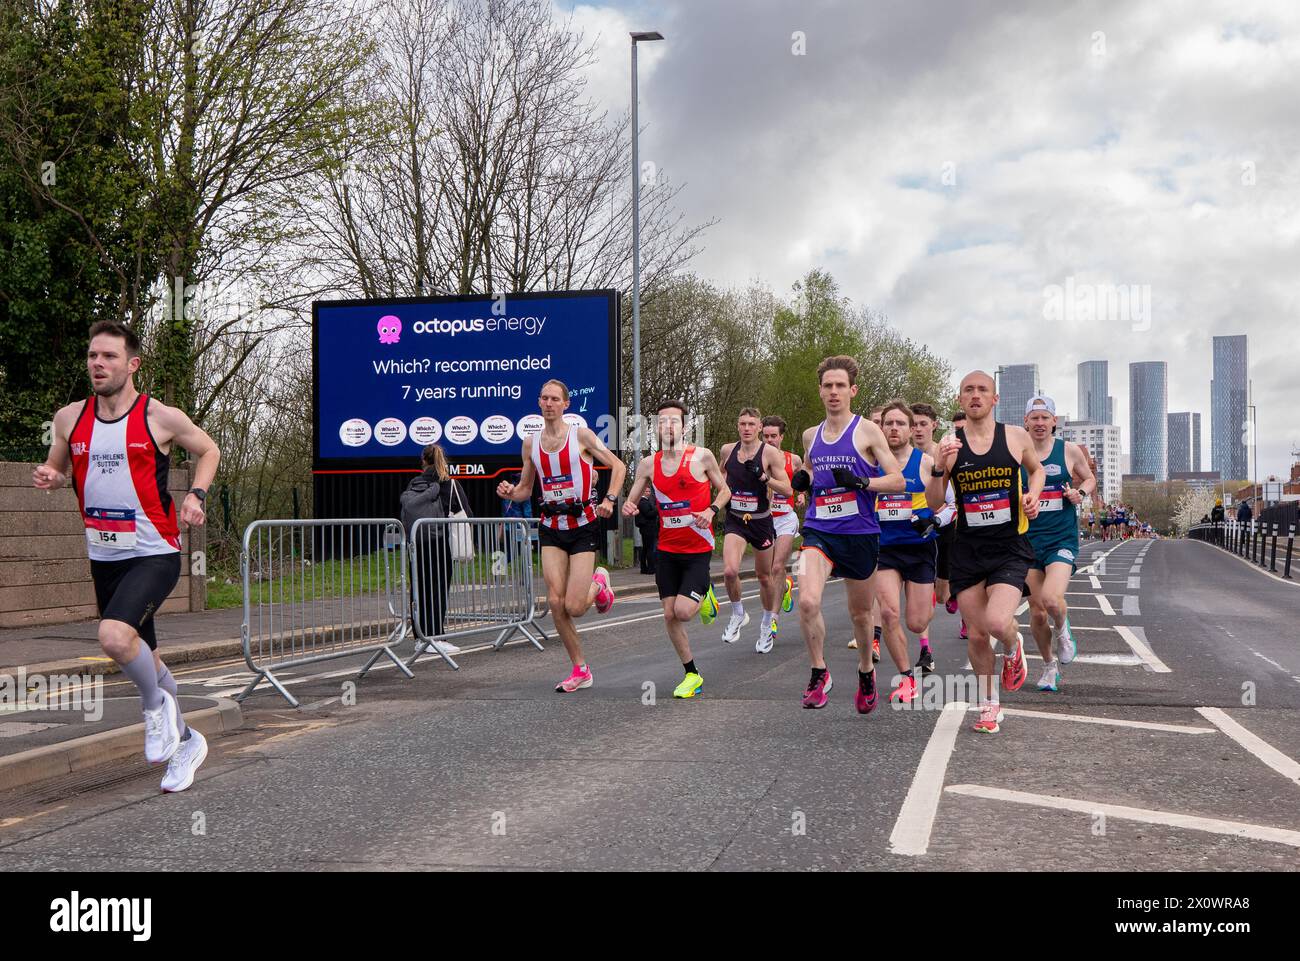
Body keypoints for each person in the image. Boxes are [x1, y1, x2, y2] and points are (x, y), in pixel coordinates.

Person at [34, 320, 219, 792]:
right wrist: (53, 477)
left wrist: (196, 495)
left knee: (115, 638)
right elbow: (57, 468)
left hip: (154, 553)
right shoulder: (69, 418)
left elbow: (209, 449)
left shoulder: (160, 417)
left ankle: (155, 710)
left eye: (109, 356)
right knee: (148, 660)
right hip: (105, 558)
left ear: (132, 364)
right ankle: (187, 741)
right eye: (93, 355)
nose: (98, 363)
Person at [926, 370, 1044, 734]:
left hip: (1008, 547)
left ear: (994, 399)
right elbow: (933, 502)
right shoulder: (948, 445)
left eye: (982, 390)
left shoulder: (1014, 437)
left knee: (996, 623)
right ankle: (990, 705)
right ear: (960, 400)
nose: (975, 395)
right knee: (977, 635)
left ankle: (1012, 644)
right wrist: (938, 467)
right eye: (968, 391)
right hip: (967, 549)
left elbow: (1036, 471)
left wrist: (1032, 496)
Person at [497, 379, 626, 693]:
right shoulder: (530, 444)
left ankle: (600, 584)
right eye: (544, 398)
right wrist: (511, 493)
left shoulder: (580, 435)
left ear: (566, 404)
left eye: (555, 399)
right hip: (551, 526)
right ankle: (580, 668)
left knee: (576, 607)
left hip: (583, 525)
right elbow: (527, 489)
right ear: (539, 403)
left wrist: (609, 499)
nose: (549, 403)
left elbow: (618, 466)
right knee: (555, 602)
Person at [791, 357, 904, 712]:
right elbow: (810, 468)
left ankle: (866, 670)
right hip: (819, 529)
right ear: (821, 391)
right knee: (807, 600)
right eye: (828, 386)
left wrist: (863, 483)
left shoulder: (867, 431)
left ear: (852, 390)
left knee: (860, 615)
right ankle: (819, 672)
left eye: (841, 386)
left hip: (860, 533)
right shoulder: (811, 434)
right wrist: (802, 479)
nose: (834, 392)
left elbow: (897, 479)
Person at [622, 400, 729, 699]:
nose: (668, 426)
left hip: (697, 549)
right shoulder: (648, 464)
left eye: (674, 421)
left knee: (683, 612)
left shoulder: (702, 457)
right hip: (666, 550)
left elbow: (725, 491)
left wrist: (710, 510)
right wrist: (628, 507)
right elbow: (630, 501)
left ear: (684, 427)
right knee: (669, 615)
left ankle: (705, 592)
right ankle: (692, 674)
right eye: (662, 421)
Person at [1021, 396, 1096, 692]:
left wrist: (1080, 493)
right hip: (1027, 541)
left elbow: (1089, 479)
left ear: (1055, 422)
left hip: (1061, 539)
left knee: (1052, 600)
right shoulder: (1017, 453)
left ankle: (1063, 631)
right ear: (1025, 422)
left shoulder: (1068, 450)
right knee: (1037, 612)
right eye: (1034, 418)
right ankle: (1049, 665)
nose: (1039, 423)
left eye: (1045, 418)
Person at [872, 400, 943, 703]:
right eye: (889, 423)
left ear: (911, 428)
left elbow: (943, 501)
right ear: (882, 428)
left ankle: (929, 597)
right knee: (888, 613)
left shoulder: (925, 462)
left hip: (919, 548)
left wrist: (933, 515)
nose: (894, 428)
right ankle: (906, 678)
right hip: (884, 548)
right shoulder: (871, 462)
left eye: (901, 423)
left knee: (916, 622)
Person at [718, 409, 793, 652]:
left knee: (764, 577)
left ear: (759, 427)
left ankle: (765, 624)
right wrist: (719, 494)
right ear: (737, 426)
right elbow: (719, 477)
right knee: (729, 571)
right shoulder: (727, 451)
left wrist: (764, 478)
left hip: (761, 521)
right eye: (742, 424)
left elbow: (787, 490)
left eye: (751, 424)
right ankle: (738, 613)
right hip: (736, 519)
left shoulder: (769, 453)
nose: (747, 428)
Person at [400, 444, 463, 658]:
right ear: (442, 460)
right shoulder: (448, 484)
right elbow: (465, 512)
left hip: (416, 543)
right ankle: (436, 636)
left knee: (419, 589)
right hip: (439, 542)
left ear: (423, 461)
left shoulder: (414, 483)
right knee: (438, 588)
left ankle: (420, 638)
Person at [849, 405, 888, 658]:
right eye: (874, 422)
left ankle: (876, 637)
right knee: (869, 590)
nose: (878, 427)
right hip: (864, 528)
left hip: (896, 532)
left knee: (885, 591)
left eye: (881, 423)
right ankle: (870, 635)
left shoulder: (893, 459)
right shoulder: (861, 456)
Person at [761, 415, 802, 640]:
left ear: (781, 437)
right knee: (767, 573)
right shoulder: (755, 459)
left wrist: (802, 494)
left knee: (777, 567)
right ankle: (785, 586)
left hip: (785, 518)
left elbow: (803, 478)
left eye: (773, 436)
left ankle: (773, 620)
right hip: (764, 520)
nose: (769, 440)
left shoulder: (792, 459)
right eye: (765, 436)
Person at [634, 486, 659, 574]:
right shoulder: (643, 502)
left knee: (646, 548)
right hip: (648, 528)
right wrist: (657, 509)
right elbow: (648, 514)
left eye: (649, 491)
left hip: (647, 528)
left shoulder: (645, 502)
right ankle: (650, 568)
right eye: (646, 491)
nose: (648, 493)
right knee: (649, 548)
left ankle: (644, 568)